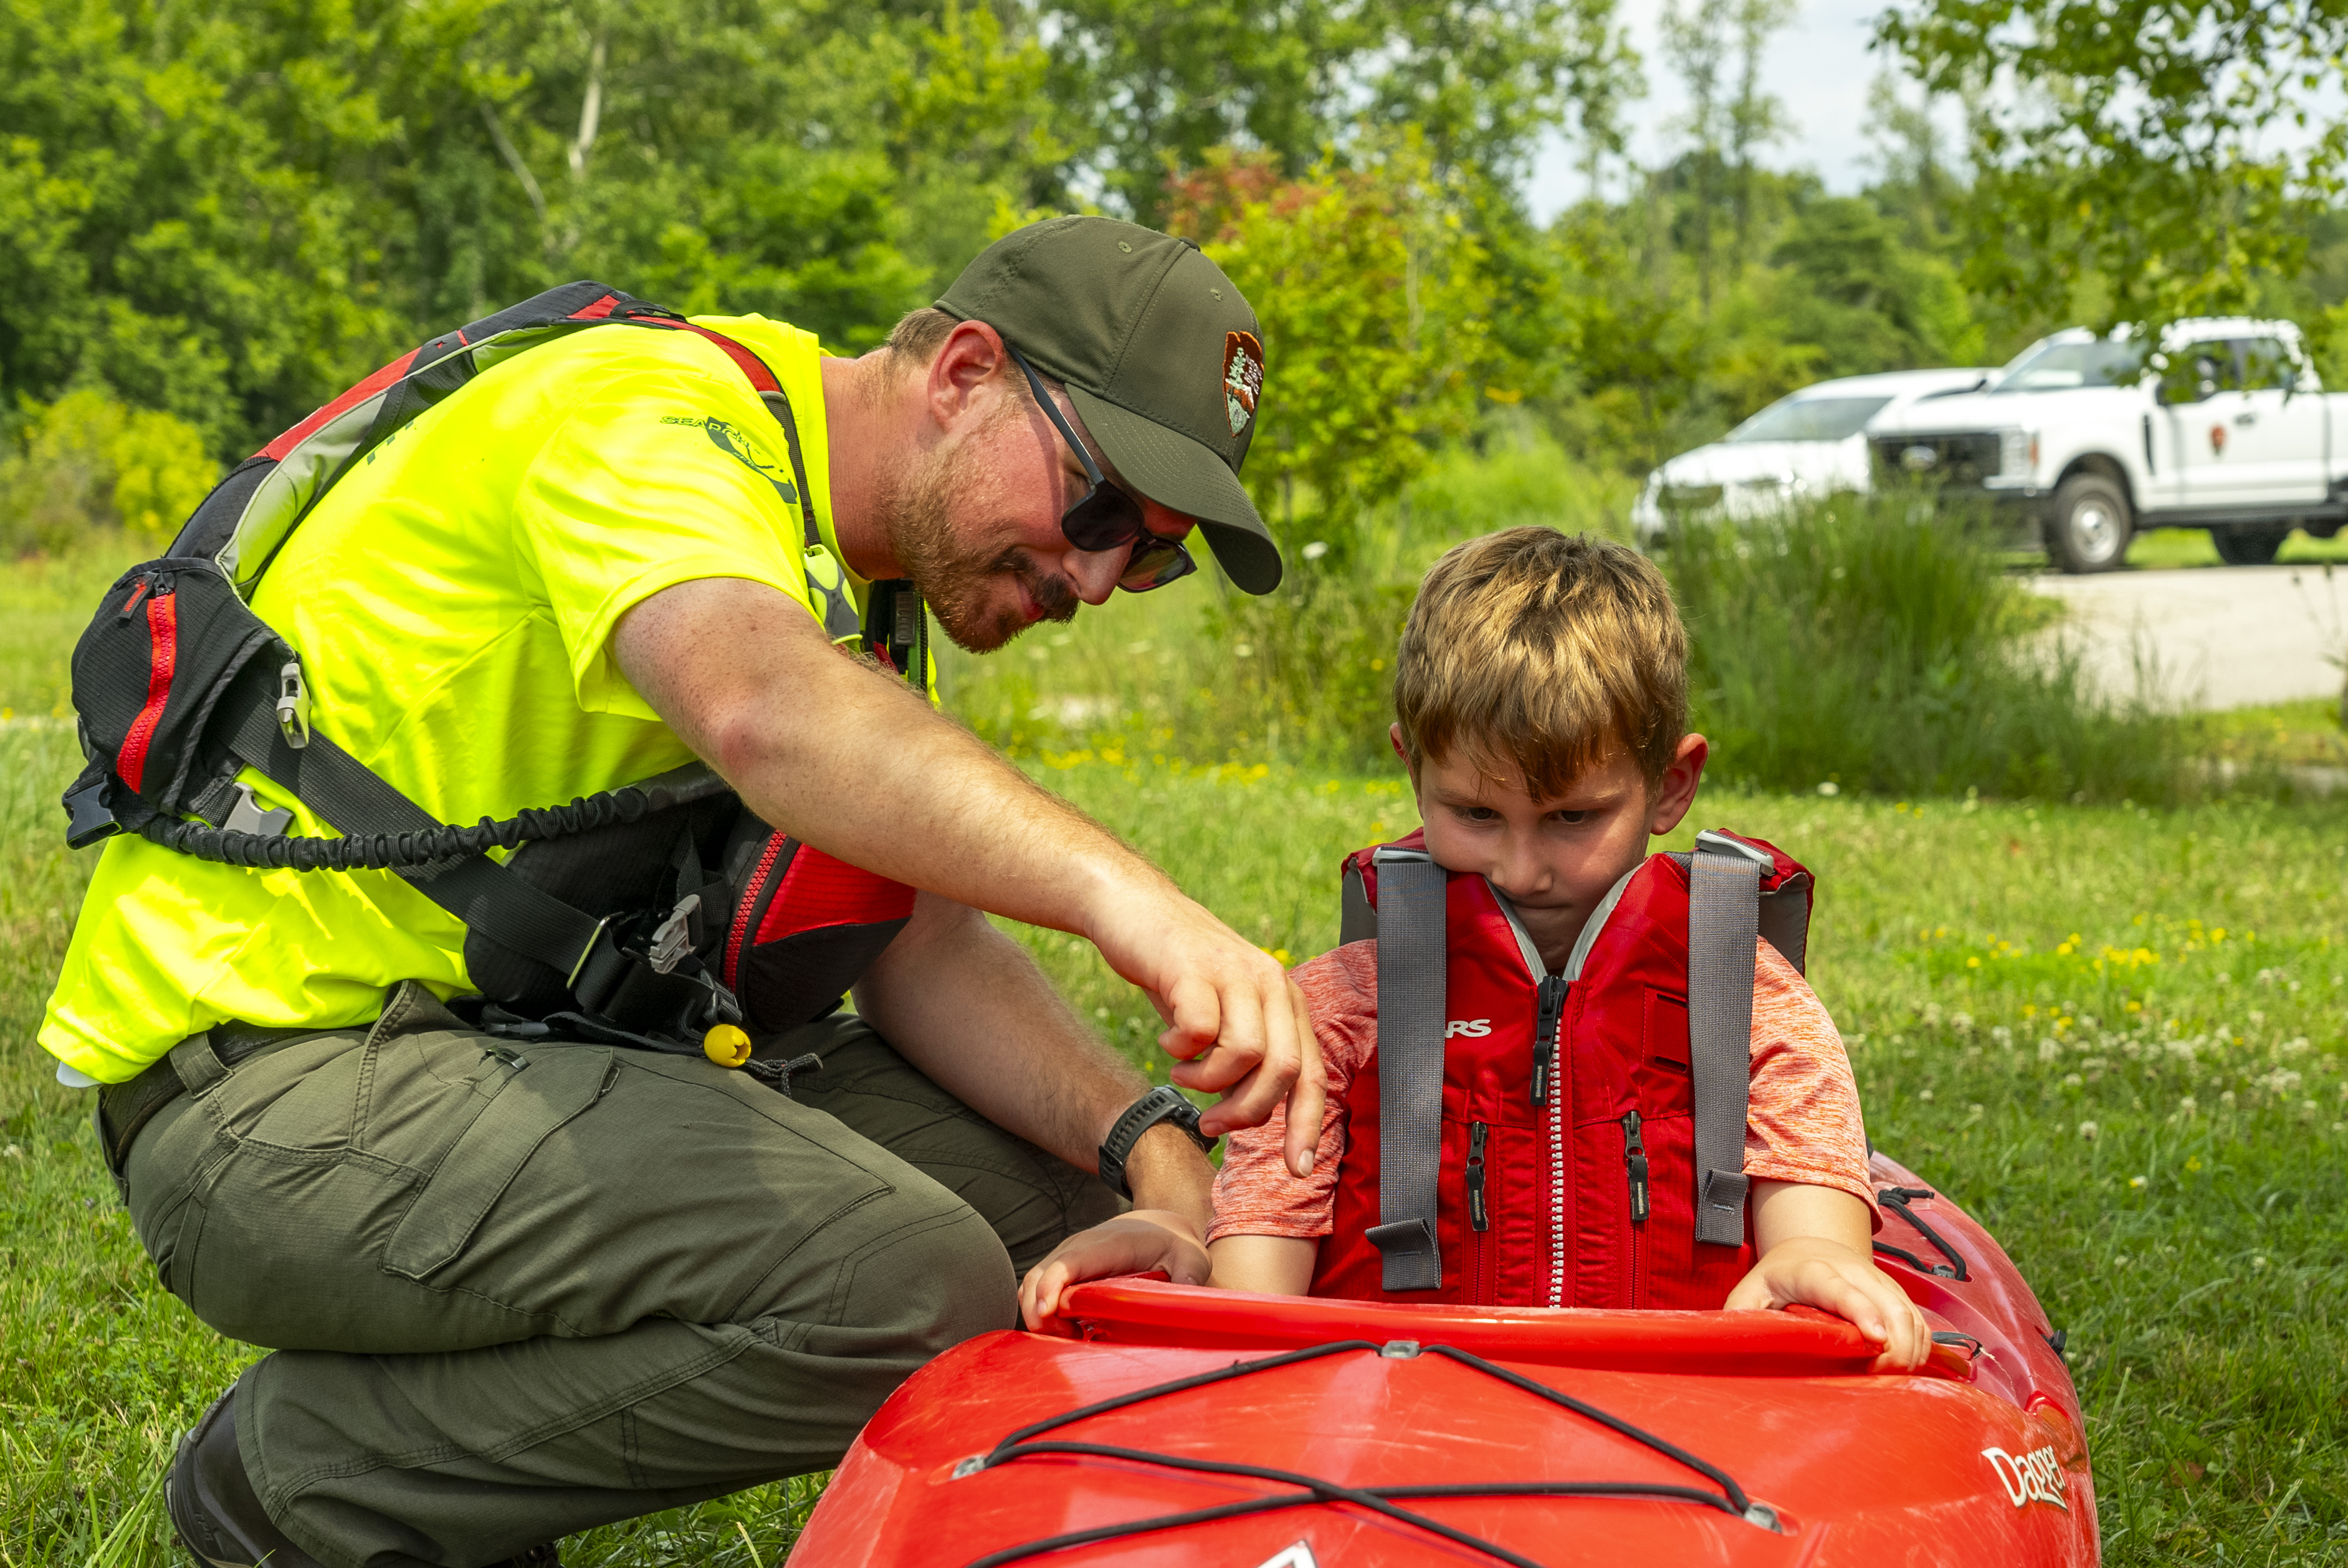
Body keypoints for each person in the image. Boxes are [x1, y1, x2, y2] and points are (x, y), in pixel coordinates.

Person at [41, 216, 1326, 1567]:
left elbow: (915, 935)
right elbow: (762, 702)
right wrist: (1133, 899)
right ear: (962, 372)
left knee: (1079, 1247)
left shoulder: (853, 570)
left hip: (504, 1054)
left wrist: (1150, 1149)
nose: (1101, 574)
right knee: (905, 1281)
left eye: (1155, 552)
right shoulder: (644, 413)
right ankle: (309, 1477)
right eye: (1099, 506)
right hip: (267, 1092)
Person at [1018, 528, 1929, 1371]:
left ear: (1671, 784)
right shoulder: (1336, 1020)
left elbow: (1813, 1250)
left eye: (1573, 817)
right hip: (1401, 1460)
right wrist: (1181, 1254)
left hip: (1684, 1441)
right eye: (1475, 814)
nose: (1523, 867)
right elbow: (1257, 1305)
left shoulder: (1752, 1003)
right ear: (1412, 767)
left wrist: (1812, 1267)